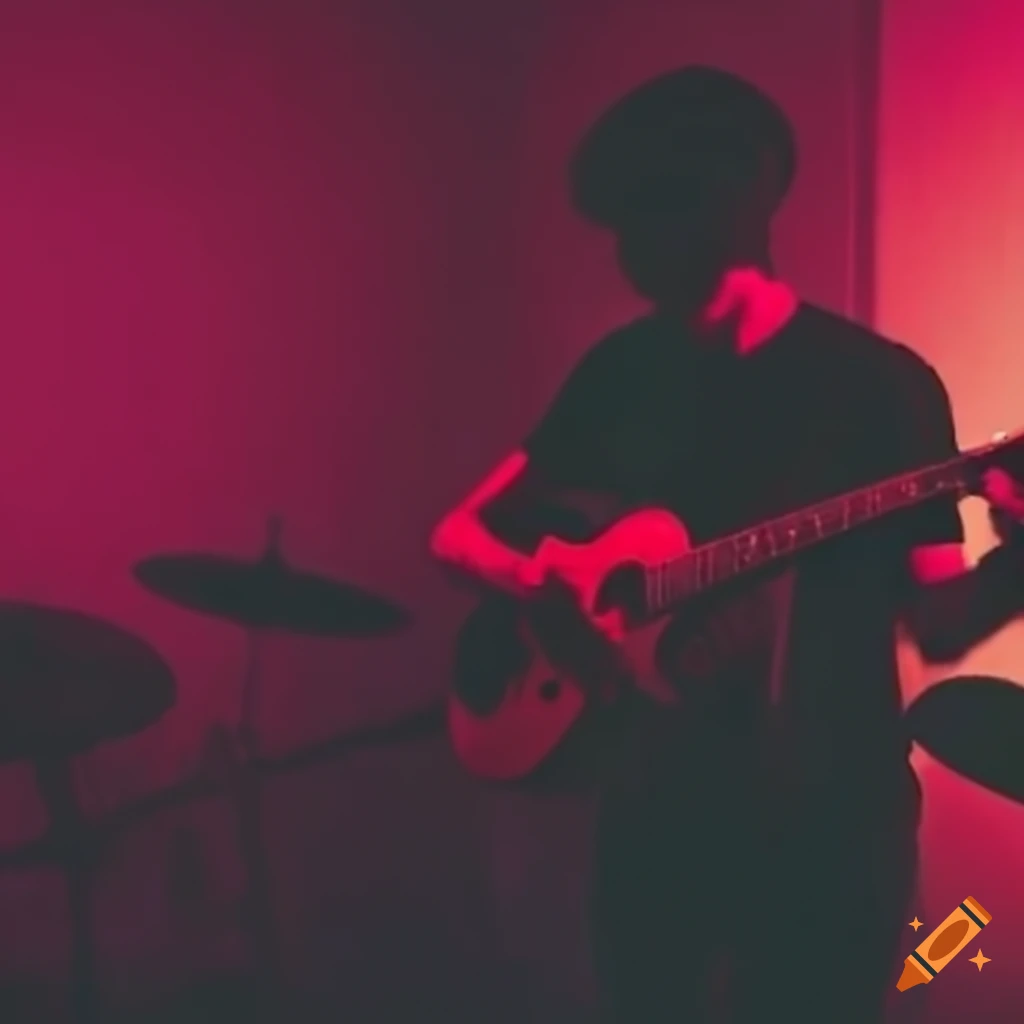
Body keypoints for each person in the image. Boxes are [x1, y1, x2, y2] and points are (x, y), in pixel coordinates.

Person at [430, 65, 1024, 1023]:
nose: (636, 242)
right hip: (655, 817)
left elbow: (943, 623)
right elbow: (458, 533)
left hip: (832, 827)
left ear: (750, 184)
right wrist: (542, 584)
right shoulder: (622, 372)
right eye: (623, 216)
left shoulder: (883, 387)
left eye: (661, 199)